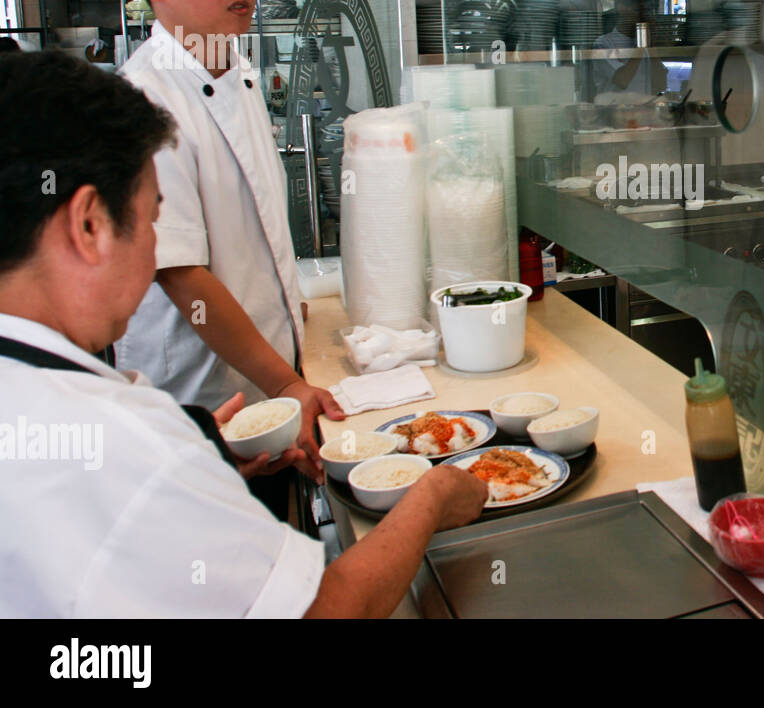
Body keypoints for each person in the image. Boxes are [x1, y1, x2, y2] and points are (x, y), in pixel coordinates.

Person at [0, 51, 487, 617]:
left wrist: (200, 467)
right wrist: (428, 500)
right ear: (89, 225)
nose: (157, 247)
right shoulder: (123, 444)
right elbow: (325, 612)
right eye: (152, 218)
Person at [112, 0, 342, 503]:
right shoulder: (145, 99)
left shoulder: (235, 69)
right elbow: (181, 274)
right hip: (210, 402)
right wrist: (287, 381)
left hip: (270, 377)